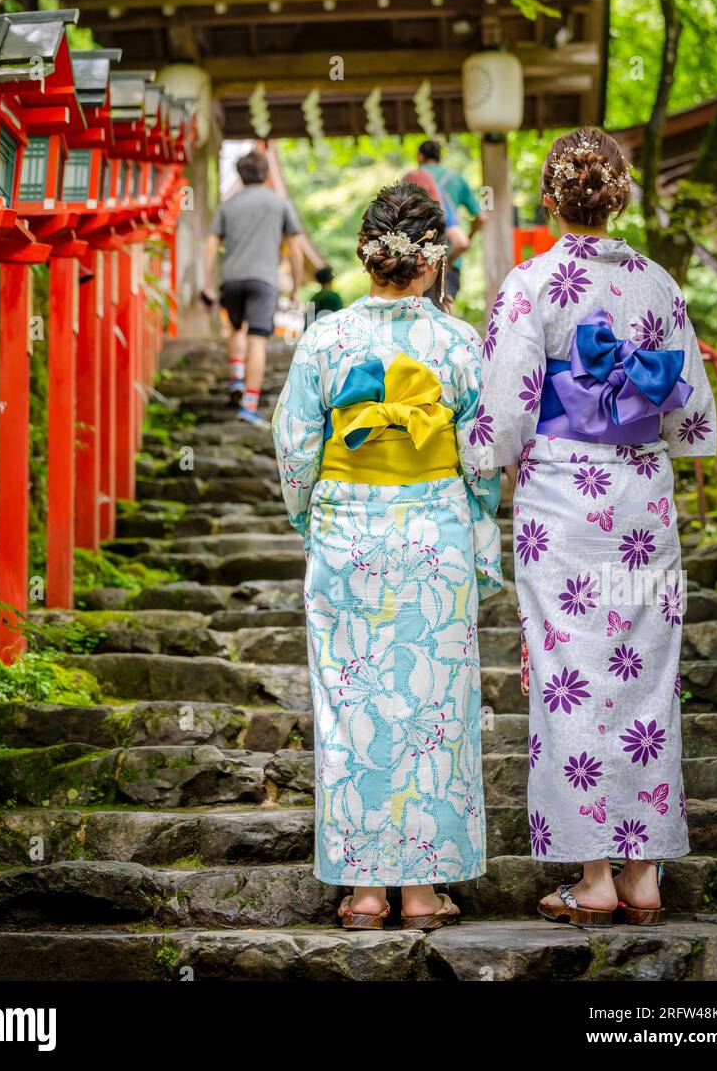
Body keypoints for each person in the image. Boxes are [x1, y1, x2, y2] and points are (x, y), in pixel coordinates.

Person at [478, 126, 717, 927]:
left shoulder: (530, 284)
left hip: (561, 506)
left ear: (550, 198)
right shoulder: (660, 285)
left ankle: (594, 878)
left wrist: (475, 452)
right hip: (642, 497)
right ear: (621, 196)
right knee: (647, 675)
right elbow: (691, 417)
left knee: (568, 672)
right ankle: (644, 874)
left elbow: (507, 413)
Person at [272, 182, 502, 930]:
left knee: (353, 706)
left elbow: (297, 446)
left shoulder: (325, 339)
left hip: (350, 532)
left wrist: (315, 516)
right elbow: (483, 454)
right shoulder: (460, 343)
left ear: (368, 254)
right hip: (432, 528)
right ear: (432, 262)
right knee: (434, 707)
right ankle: (423, 892)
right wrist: (477, 515)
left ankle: (366, 890)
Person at [202, 149, 303, 427]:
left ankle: (236, 376)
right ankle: (249, 404)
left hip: (231, 278)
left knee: (236, 327)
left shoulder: (227, 205)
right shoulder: (280, 204)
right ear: (266, 174)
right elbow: (295, 250)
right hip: (263, 280)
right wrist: (295, 288)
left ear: (240, 175)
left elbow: (211, 246)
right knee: (257, 338)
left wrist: (208, 285)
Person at [417, 139, 484, 300]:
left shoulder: (413, 177)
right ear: (440, 157)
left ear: (419, 157)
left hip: (418, 260)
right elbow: (481, 217)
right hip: (450, 258)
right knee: (446, 306)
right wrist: (467, 239)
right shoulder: (455, 179)